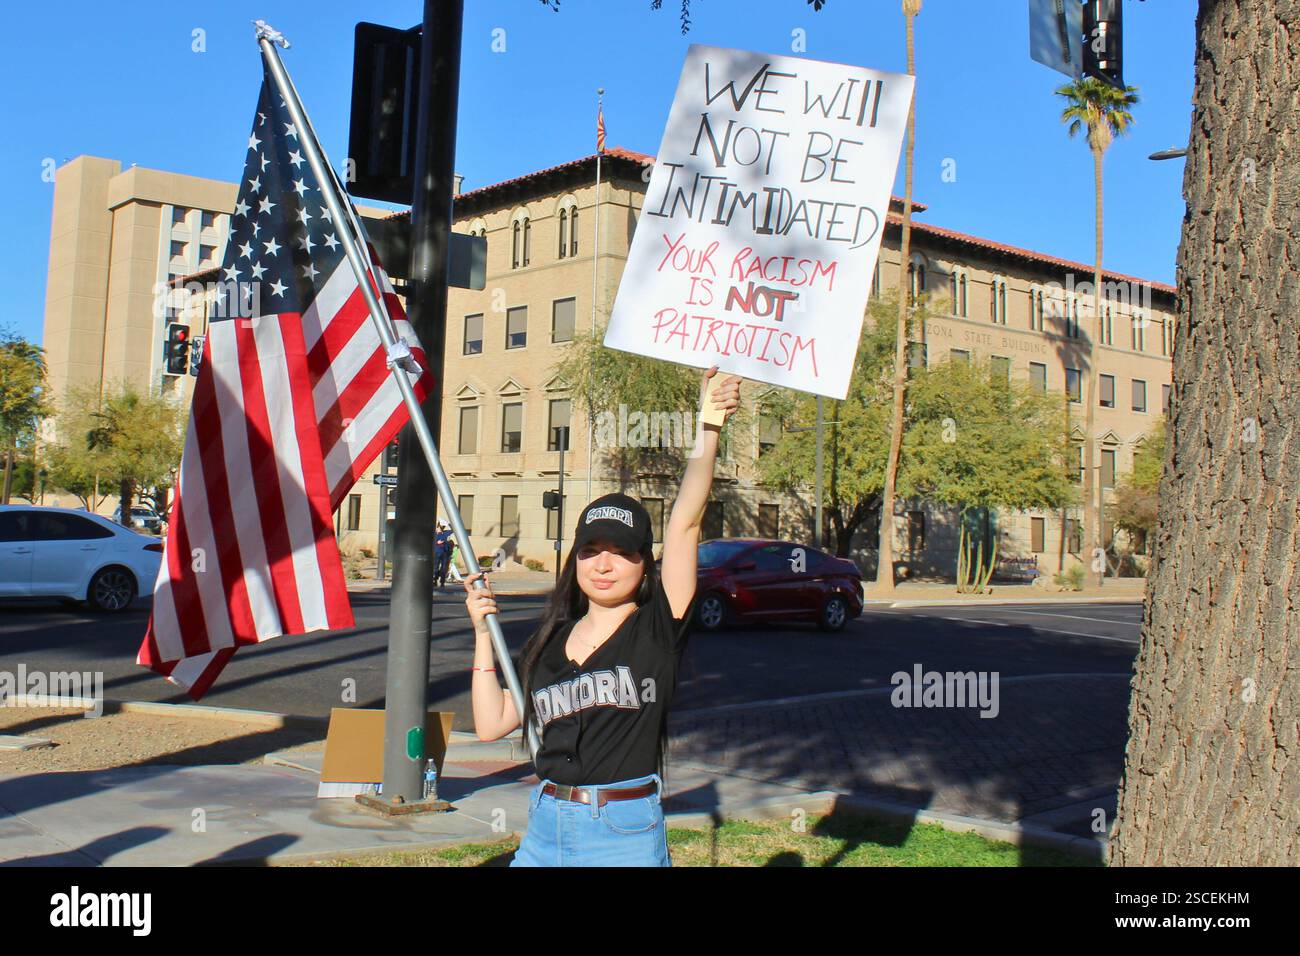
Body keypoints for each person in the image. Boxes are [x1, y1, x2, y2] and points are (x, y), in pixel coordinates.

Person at [464, 365, 741, 867]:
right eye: (591, 551)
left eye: (621, 552)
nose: (604, 564)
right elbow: (490, 724)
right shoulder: (549, 641)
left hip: (623, 833)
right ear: (576, 560)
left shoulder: (657, 628)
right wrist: (483, 635)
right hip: (544, 826)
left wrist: (709, 425)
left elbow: (686, 521)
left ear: (643, 563)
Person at [433, 520, 454, 587]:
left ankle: (442, 582)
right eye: (441, 526)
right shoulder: (435, 534)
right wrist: (437, 542)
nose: (442, 527)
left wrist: (448, 524)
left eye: (443, 526)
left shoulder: (445, 533)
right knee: (435, 567)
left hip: (445, 553)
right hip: (437, 552)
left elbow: (453, 530)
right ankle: (435, 580)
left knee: (444, 568)